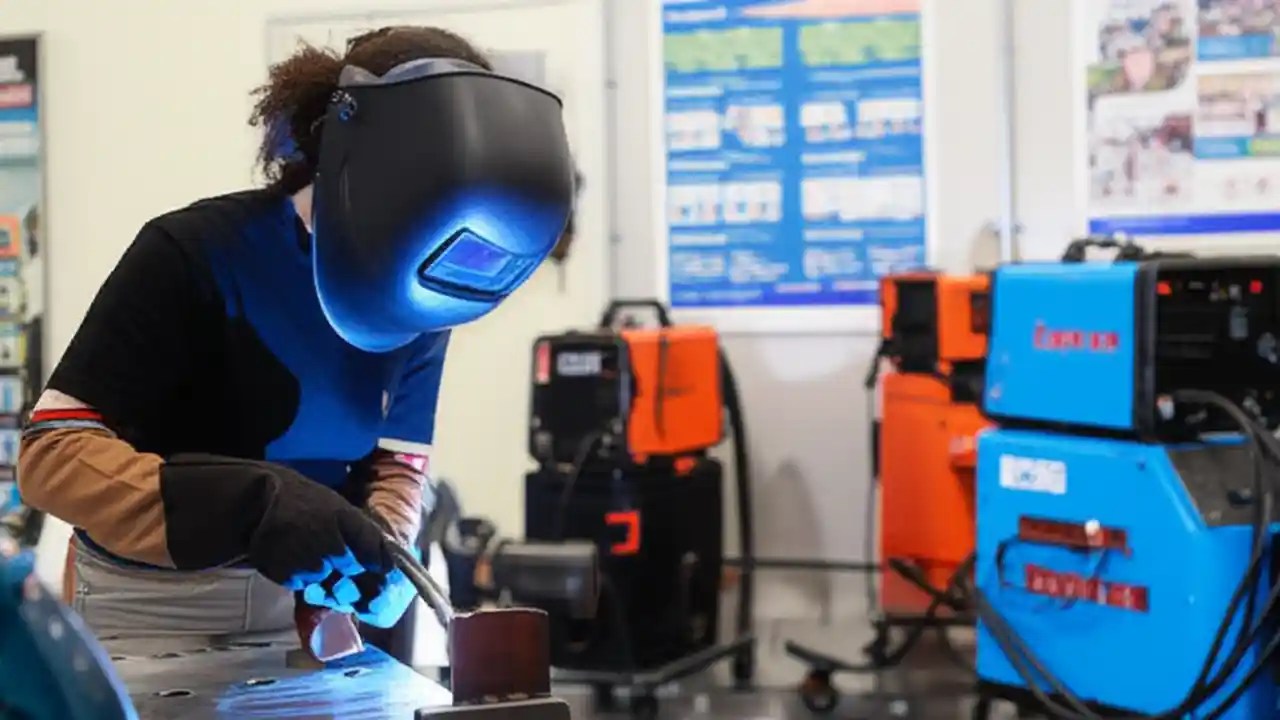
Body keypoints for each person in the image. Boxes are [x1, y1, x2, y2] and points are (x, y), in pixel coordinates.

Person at [15, 26, 574, 656]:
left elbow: (398, 462)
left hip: (308, 621)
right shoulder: (197, 253)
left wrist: (382, 547)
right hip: (152, 614)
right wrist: (246, 508)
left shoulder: (427, 286)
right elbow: (51, 457)